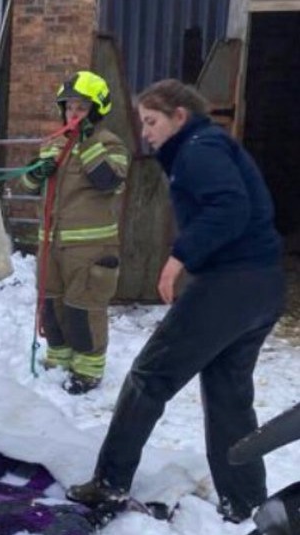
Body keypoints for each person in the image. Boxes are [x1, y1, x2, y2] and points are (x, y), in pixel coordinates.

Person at [67, 79, 284, 524]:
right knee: (228, 396)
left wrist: (178, 258)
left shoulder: (199, 149)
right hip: (262, 286)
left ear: (179, 116)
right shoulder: (209, 145)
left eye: (152, 121)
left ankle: (109, 484)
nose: (145, 132)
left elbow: (229, 207)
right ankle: (245, 501)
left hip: (228, 285)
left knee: (149, 377)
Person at [17, 70, 131, 394]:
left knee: (84, 308)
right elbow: (25, 185)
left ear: (96, 110)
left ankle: (88, 371)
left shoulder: (110, 144)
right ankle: (59, 359)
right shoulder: (54, 144)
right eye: (69, 107)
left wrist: (86, 142)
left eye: (81, 107)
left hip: (90, 248)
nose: (73, 114)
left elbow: (109, 181)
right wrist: (37, 171)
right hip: (52, 244)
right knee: (52, 306)